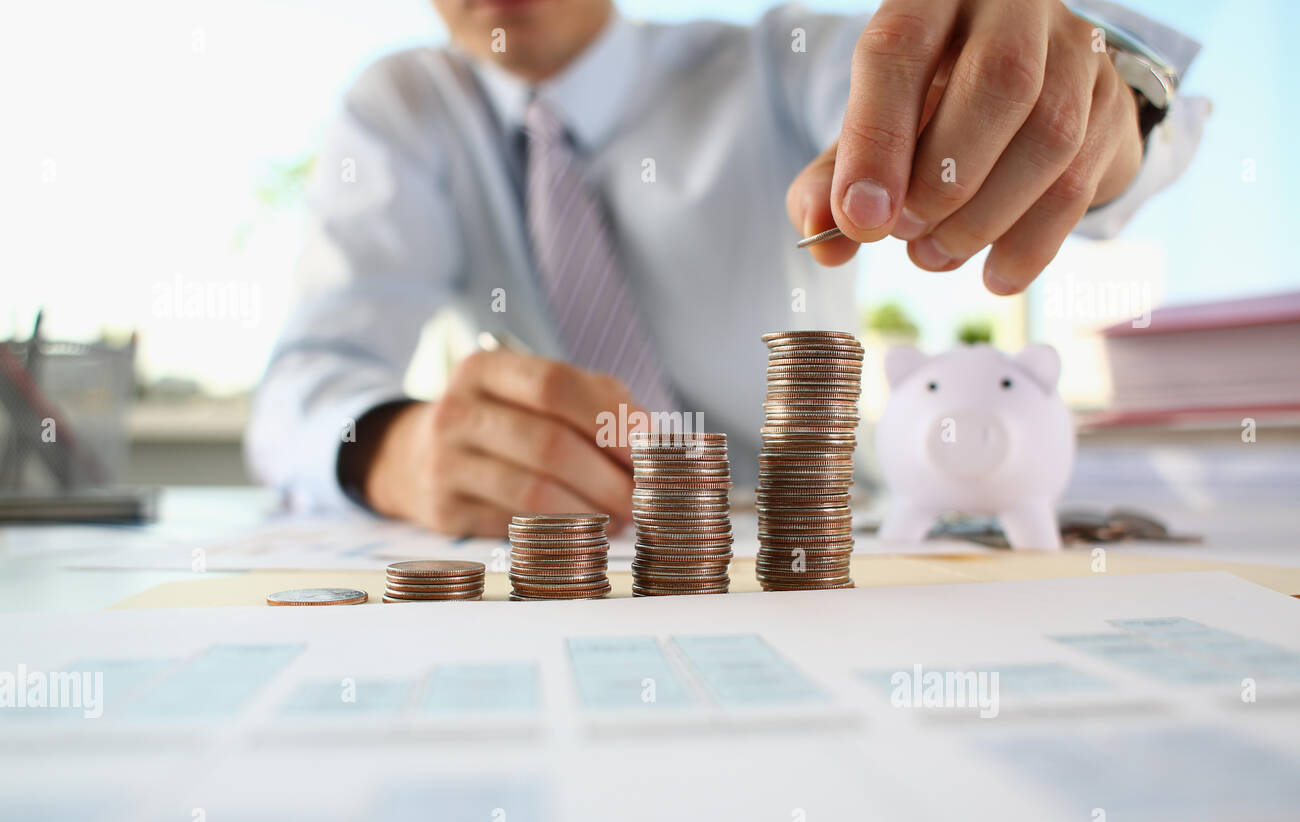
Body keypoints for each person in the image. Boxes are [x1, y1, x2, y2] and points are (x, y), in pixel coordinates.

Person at [246, 0, 1205, 535]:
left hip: (813, 539)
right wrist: (391, 448)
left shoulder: (780, 59)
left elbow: (950, 79)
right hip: (564, 552)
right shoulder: (404, 109)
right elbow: (305, 382)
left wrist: (1103, 102)